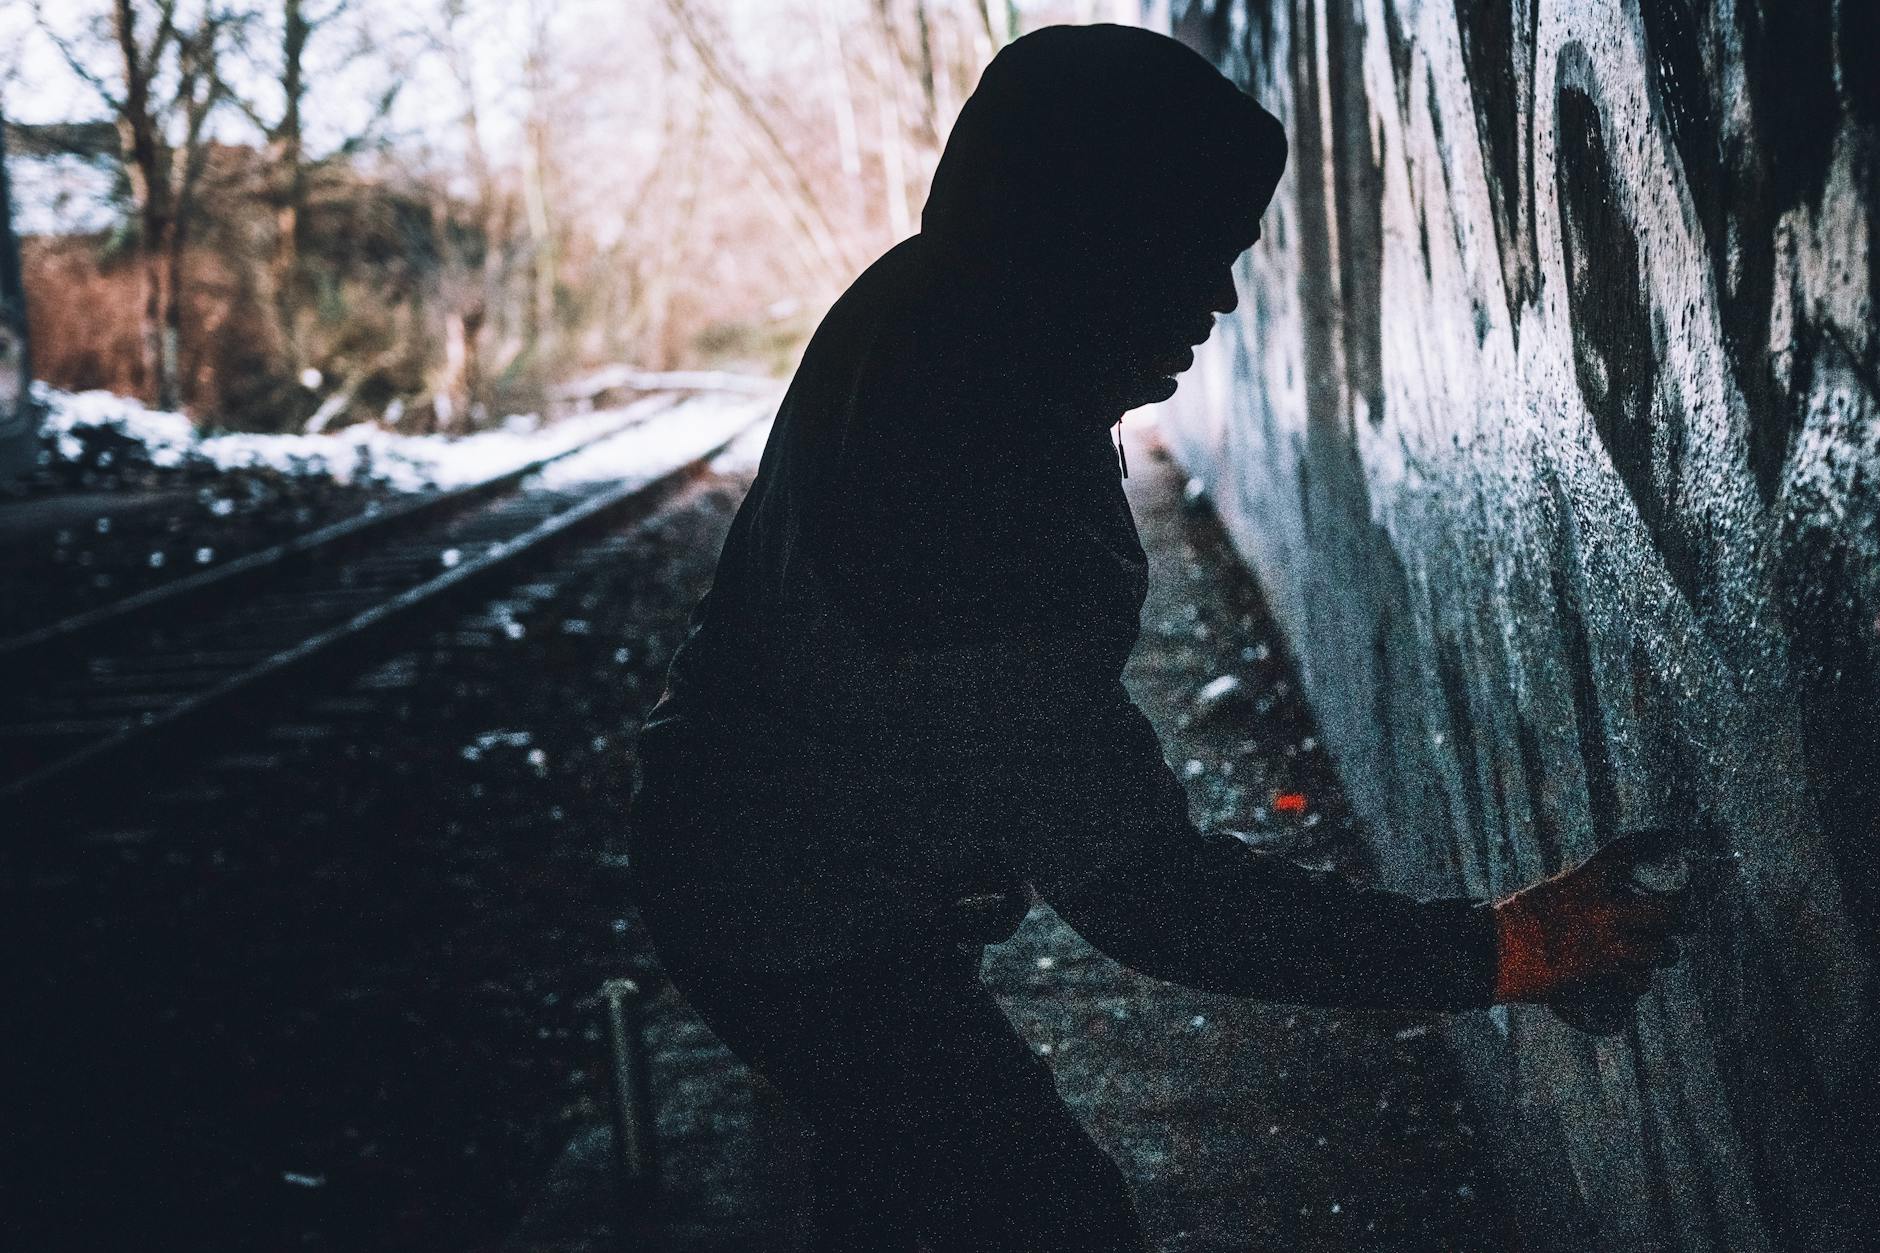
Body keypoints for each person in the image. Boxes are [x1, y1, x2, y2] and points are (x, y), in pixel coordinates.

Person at [626, 22, 1680, 1252]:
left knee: (911, 1179)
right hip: (798, 919)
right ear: (1097, 237)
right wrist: (1503, 949)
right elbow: (1141, 891)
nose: (1223, 293)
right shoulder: (969, 478)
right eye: (1200, 249)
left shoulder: (940, 310)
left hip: (758, 856)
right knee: (1041, 1213)